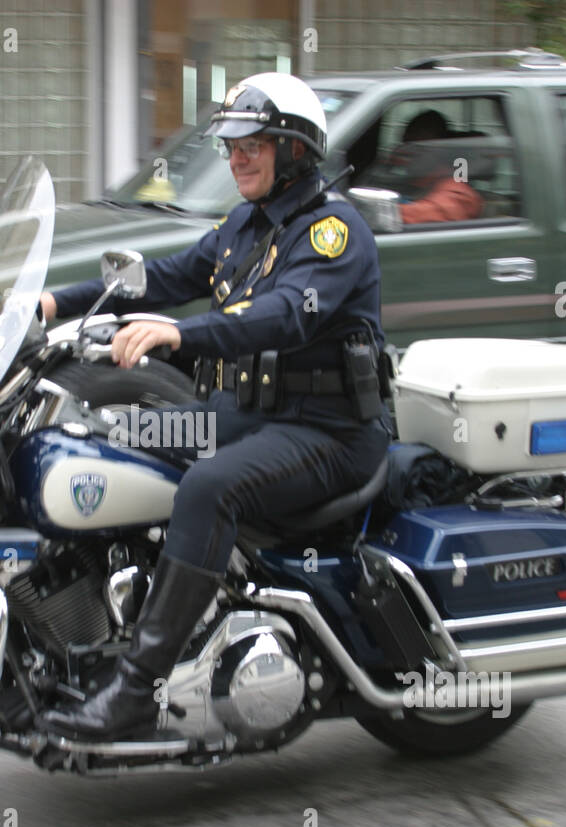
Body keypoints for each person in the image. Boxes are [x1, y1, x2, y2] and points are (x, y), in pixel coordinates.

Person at [38, 73, 391, 741]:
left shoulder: (333, 234)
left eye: (253, 145)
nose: (236, 159)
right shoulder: (242, 226)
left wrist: (182, 333)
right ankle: (111, 617)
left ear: (294, 151)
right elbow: (161, 278)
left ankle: (137, 689)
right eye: (230, 146)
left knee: (208, 489)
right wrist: (55, 303)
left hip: (330, 431)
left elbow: (284, 316)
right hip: (253, 415)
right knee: (117, 438)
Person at [393, 109, 483, 224]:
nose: (407, 153)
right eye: (406, 145)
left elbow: (425, 213)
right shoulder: (413, 182)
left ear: (439, 150)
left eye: (418, 147)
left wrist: (374, 213)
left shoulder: (458, 192)